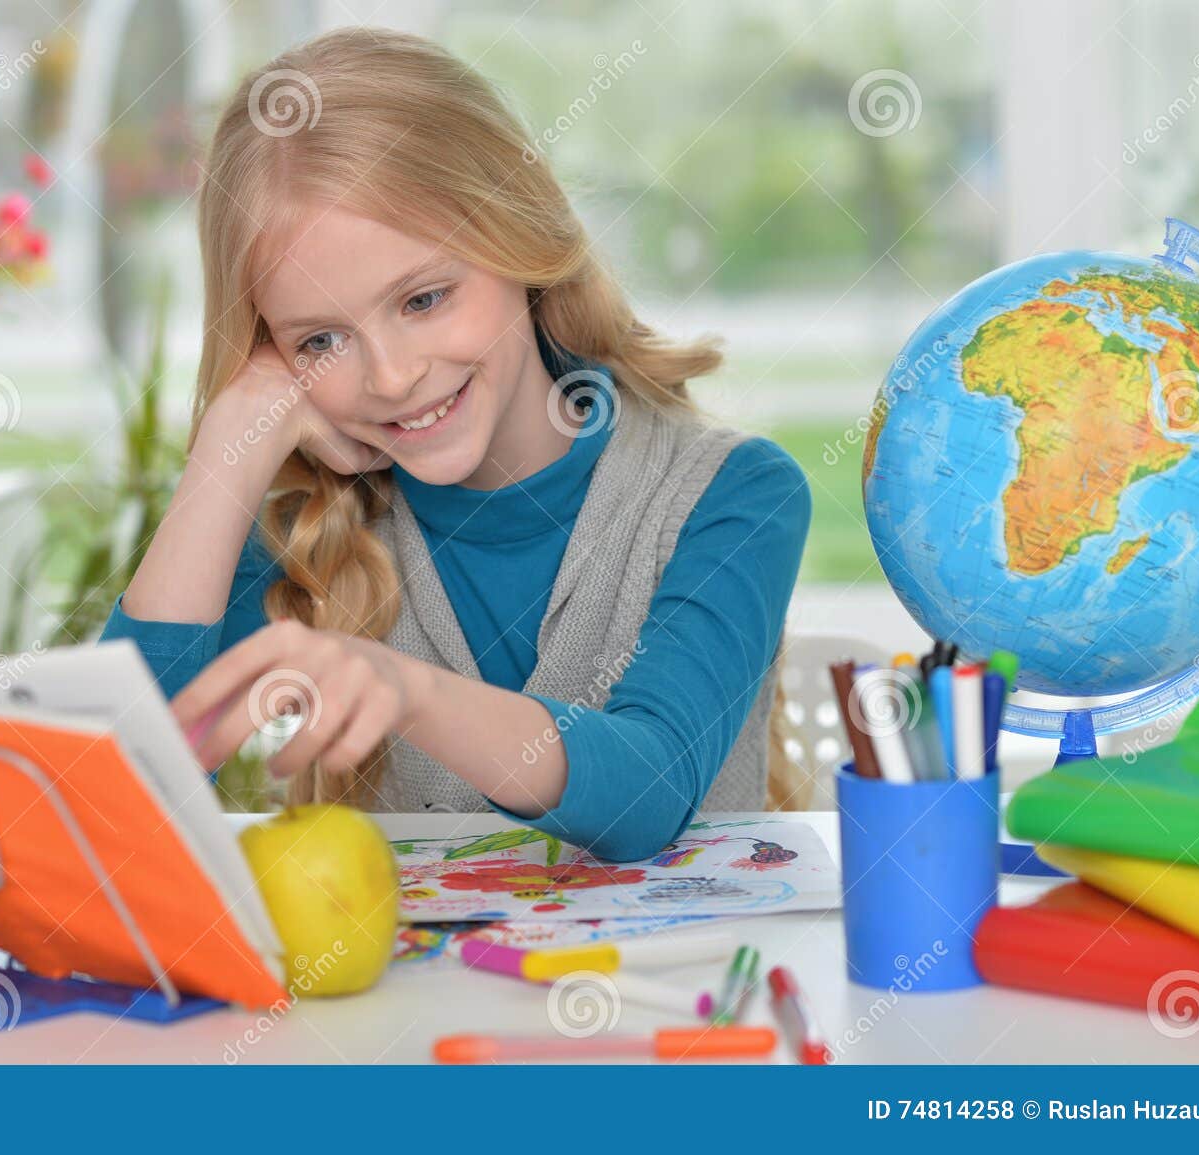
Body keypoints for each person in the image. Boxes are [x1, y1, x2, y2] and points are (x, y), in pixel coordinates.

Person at [102, 27, 812, 862]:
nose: (393, 376)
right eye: (320, 341)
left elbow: (646, 789)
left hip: (682, 988)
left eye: (425, 298)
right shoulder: (311, 531)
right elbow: (114, 780)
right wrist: (230, 444)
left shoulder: (732, 496)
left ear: (523, 243)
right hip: (404, 996)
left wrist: (407, 691)